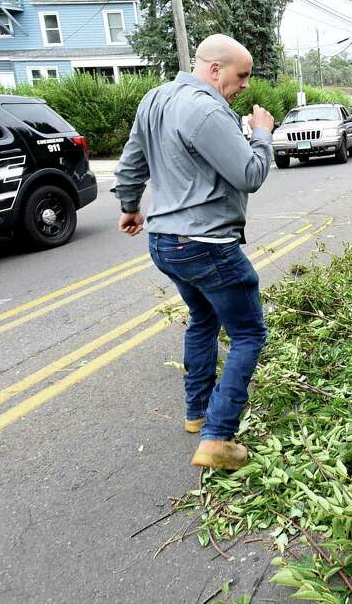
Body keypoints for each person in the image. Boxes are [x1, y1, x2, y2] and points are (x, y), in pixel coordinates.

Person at [112, 34, 276, 472]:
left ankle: (198, 410)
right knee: (249, 334)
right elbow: (249, 174)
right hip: (206, 244)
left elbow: (131, 161)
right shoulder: (206, 109)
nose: (245, 85)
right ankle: (218, 436)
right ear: (215, 69)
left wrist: (130, 207)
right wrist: (262, 135)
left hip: (164, 241)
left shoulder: (155, 99)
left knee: (204, 319)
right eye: (242, 76)